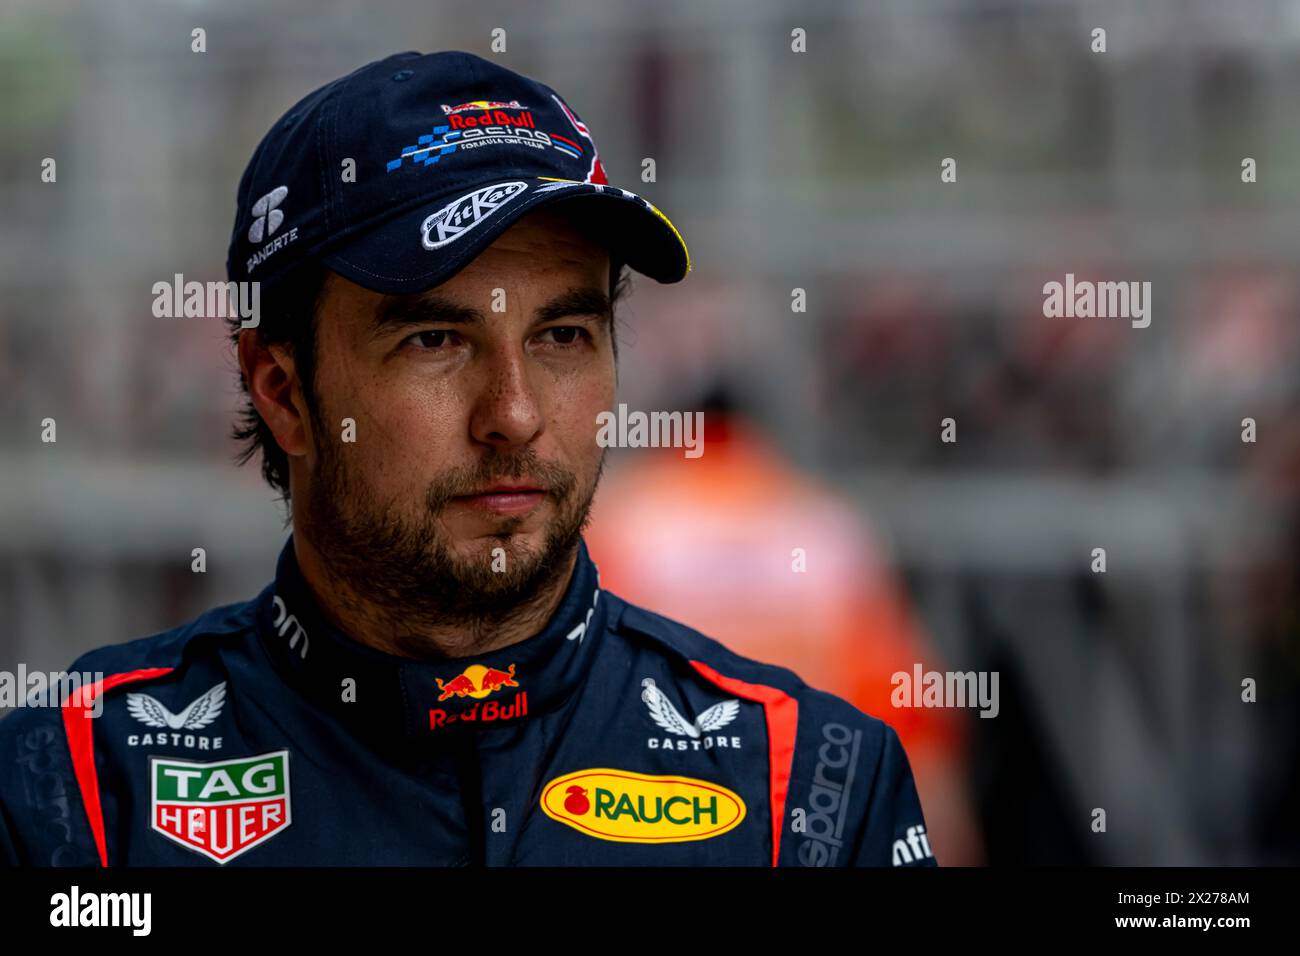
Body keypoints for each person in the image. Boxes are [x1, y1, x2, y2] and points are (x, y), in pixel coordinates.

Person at [0, 51, 935, 867]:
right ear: (283, 392)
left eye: (563, 334)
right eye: (435, 342)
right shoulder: (74, 795)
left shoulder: (808, 792)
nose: (515, 416)